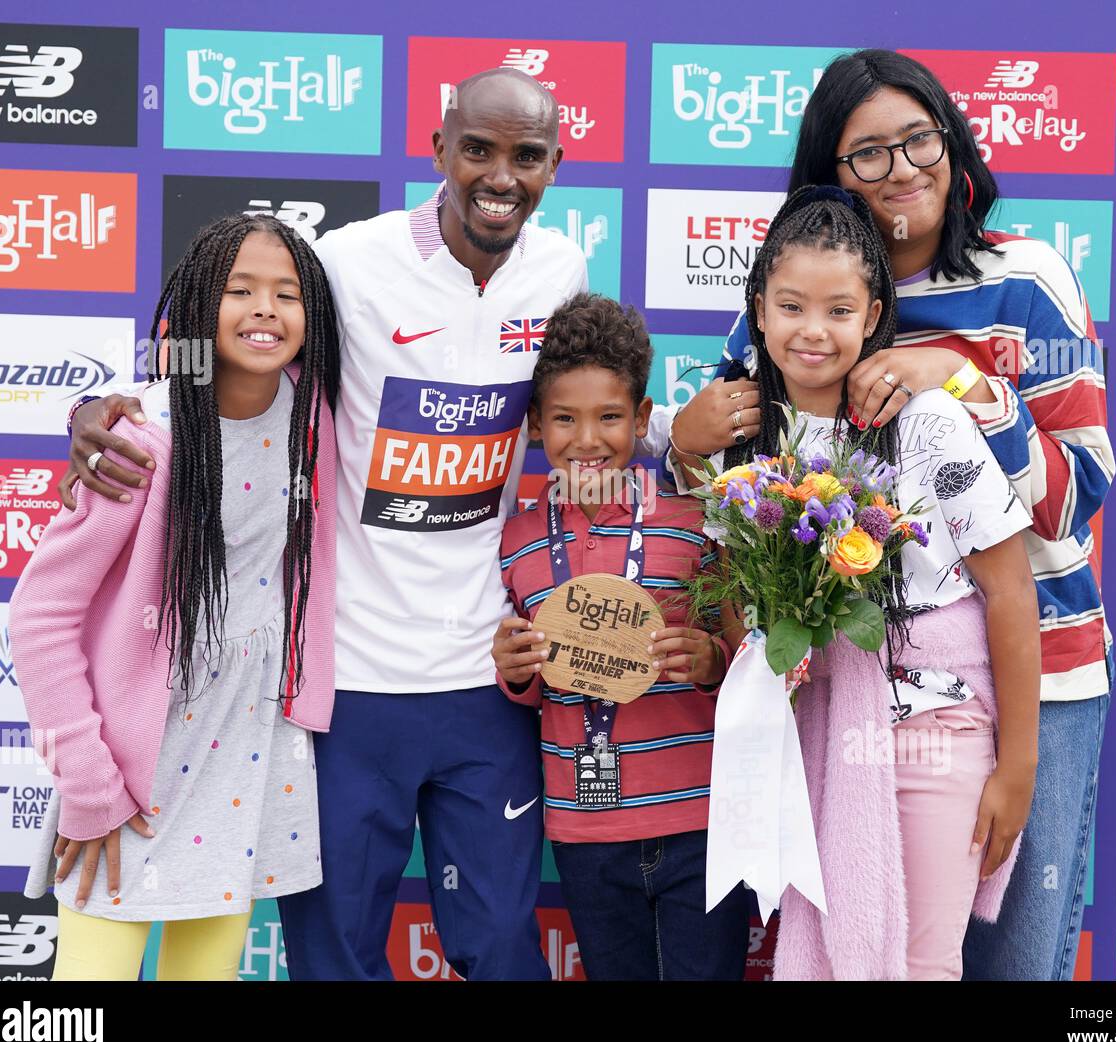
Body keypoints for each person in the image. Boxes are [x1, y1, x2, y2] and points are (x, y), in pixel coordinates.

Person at [59, 69, 677, 981]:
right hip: (345, 688)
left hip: (484, 676)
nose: (499, 176)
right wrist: (107, 403)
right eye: (478, 150)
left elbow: (587, 400)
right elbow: (230, 338)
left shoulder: (559, 270)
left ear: (554, 166)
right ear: (439, 151)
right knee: (336, 956)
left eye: (527, 156)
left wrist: (670, 431)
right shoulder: (350, 261)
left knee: (502, 949)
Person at [671, 49, 1114, 981]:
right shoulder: (795, 286)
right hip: (854, 691)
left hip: (1037, 664)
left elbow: (1078, 493)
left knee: (1011, 960)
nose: (901, 168)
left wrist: (956, 376)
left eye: (919, 139)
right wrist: (681, 439)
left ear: (952, 143)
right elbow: (745, 484)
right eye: (867, 153)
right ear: (829, 173)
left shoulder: (1026, 276)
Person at [692, 184, 1039, 980]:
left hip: (934, 738)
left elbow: (1012, 591)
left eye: (839, 310)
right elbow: (735, 600)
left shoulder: (926, 422)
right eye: (790, 306)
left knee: (919, 968)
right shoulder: (740, 442)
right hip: (808, 748)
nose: (813, 332)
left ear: (875, 312)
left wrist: (1016, 767)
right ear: (757, 308)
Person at [10, 213, 339, 980]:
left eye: (287, 293)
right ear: (195, 307)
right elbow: (40, 614)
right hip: (132, 764)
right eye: (239, 289)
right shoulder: (142, 438)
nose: (265, 308)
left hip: (252, 748)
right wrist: (89, 784)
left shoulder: (314, 418)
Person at [492, 294, 751, 981]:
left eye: (609, 417)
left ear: (642, 419)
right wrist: (515, 670)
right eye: (564, 419)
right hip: (584, 831)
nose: (587, 439)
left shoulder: (694, 517)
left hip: (699, 820)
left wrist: (708, 661)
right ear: (535, 426)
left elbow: (737, 654)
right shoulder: (514, 542)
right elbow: (522, 689)